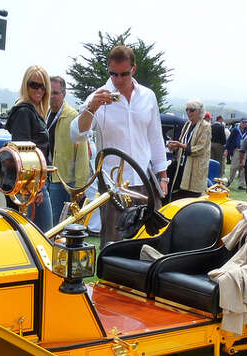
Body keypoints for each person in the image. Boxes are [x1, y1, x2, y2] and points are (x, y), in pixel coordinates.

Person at [72, 44, 168, 246]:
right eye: (113, 74)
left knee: (152, 239)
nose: (118, 80)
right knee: (114, 243)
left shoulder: (148, 96)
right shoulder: (97, 97)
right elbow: (77, 135)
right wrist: (92, 108)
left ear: (133, 69)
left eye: (124, 74)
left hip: (144, 179)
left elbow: (155, 137)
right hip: (112, 184)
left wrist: (163, 176)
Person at [6, 65, 54, 231]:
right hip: (32, 186)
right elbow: (23, 154)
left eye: (43, 86)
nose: (39, 90)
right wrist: (35, 188)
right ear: (26, 86)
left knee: (39, 235)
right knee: (44, 235)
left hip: (37, 184)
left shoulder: (33, 111)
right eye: (34, 85)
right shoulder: (24, 112)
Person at [45, 75, 92, 223]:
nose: (51, 96)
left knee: (58, 222)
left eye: (56, 93)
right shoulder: (45, 113)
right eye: (49, 91)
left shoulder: (72, 116)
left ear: (64, 94)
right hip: (46, 176)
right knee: (48, 221)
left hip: (64, 180)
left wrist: (80, 186)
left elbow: (82, 152)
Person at [168, 99, 211, 199]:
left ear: (199, 111)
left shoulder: (205, 126)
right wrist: (175, 147)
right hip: (182, 166)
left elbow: (200, 148)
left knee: (191, 196)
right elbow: (182, 142)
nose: (188, 112)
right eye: (186, 109)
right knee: (175, 192)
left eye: (191, 110)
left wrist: (181, 145)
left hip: (195, 168)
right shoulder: (187, 124)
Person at [225, 119, 247, 189]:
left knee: (243, 168)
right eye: (243, 122)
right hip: (236, 150)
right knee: (233, 167)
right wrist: (227, 149)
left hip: (244, 151)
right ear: (240, 123)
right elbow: (230, 140)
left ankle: (241, 184)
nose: (244, 124)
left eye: (245, 123)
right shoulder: (235, 130)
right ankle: (229, 181)